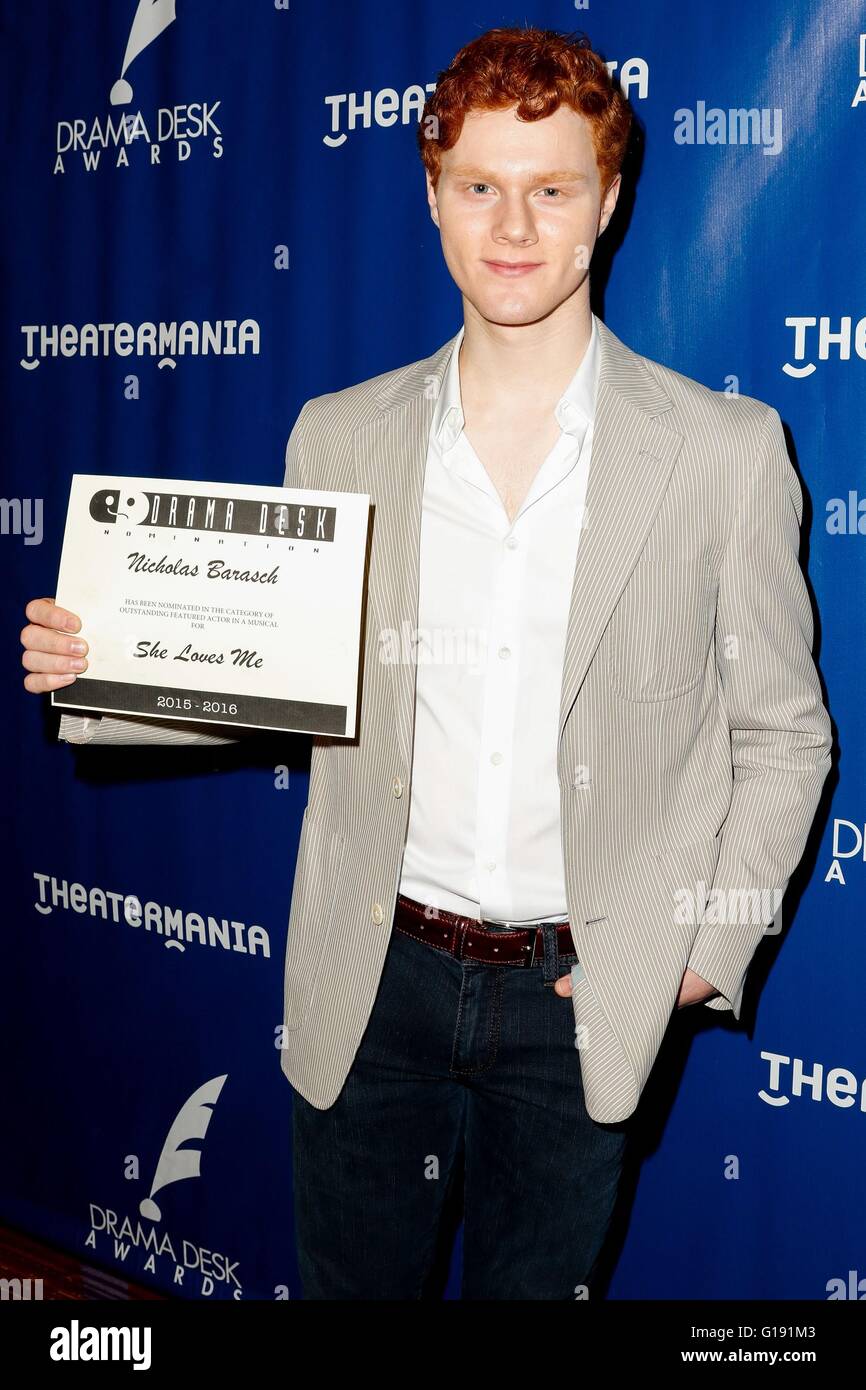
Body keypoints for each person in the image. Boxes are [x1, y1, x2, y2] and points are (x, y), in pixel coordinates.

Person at [19, 27, 832, 1299]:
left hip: (581, 997)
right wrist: (103, 676)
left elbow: (782, 734)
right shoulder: (338, 435)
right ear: (433, 196)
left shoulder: (722, 449)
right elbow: (287, 680)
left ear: (606, 201)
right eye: (478, 186)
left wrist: (704, 947)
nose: (512, 223)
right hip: (372, 977)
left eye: (550, 186)